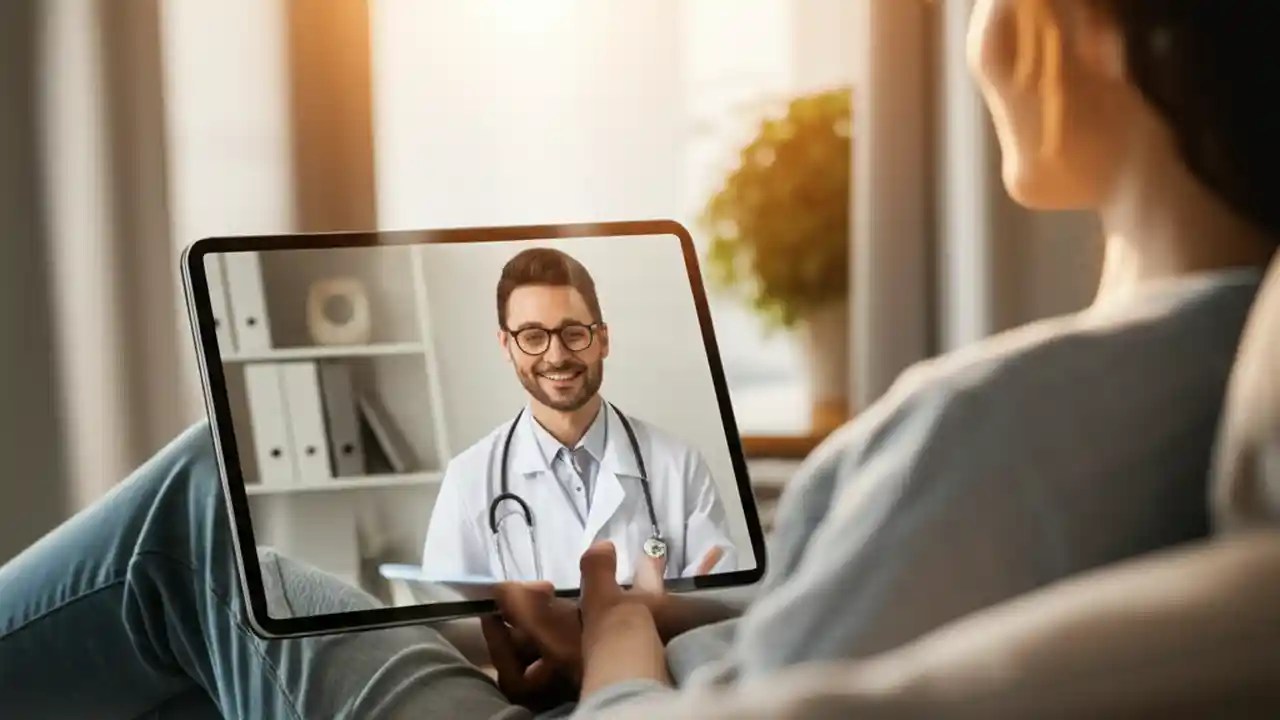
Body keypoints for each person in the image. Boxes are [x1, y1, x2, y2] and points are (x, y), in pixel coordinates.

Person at [1, 0, 1277, 717]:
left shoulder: (1007, 424)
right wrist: (660, 620)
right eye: (531, 338)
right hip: (638, 666)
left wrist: (618, 638)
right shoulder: (1200, 371)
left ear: (1083, 32)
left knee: (202, 522)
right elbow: (865, 627)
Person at [420, 248, 738, 586]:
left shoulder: (680, 466)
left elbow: (716, 611)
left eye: (573, 333)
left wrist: (655, 615)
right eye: (532, 337)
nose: (556, 356)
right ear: (506, 346)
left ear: (602, 339)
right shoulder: (468, 480)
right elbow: (447, 622)